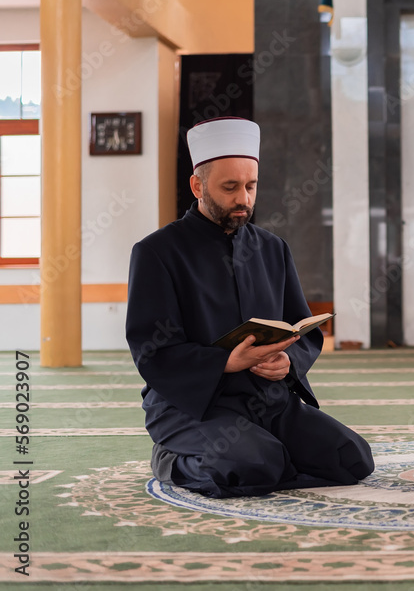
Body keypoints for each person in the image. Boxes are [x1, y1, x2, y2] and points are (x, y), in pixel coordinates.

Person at [125, 117, 374, 498]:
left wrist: (288, 362)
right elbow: (152, 350)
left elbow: (303, 330)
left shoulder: (273, 248)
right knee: (255, 464)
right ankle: (170, 458)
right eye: (230, 187)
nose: (244, 198)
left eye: (250, 186)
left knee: (352, 459)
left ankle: (267, 459)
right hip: (195, 406)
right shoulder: (157, 253)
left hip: (269, 400)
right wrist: (226, 361)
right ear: (198, 185)